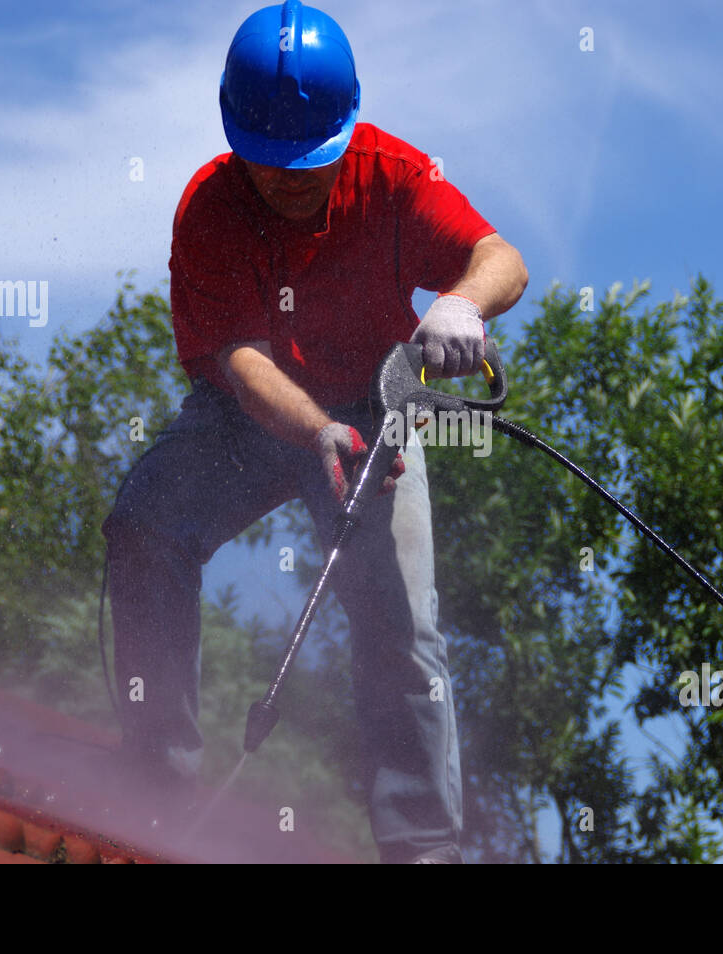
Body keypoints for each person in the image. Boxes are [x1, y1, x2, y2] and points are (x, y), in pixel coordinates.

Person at [101, 0, 527, 864]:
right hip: (248, 419)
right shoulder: (209, 212)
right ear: (236, 139)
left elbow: (502, 259)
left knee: (404, 624)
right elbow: (244, 362)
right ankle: (156, 791)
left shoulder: (398, 177)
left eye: (313, 160)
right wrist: (315, 430)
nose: (294, 178)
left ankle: (424, 849)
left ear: (348, 127)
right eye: (272, 162)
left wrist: (459, 303)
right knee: (145, 526)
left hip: (373, 421)